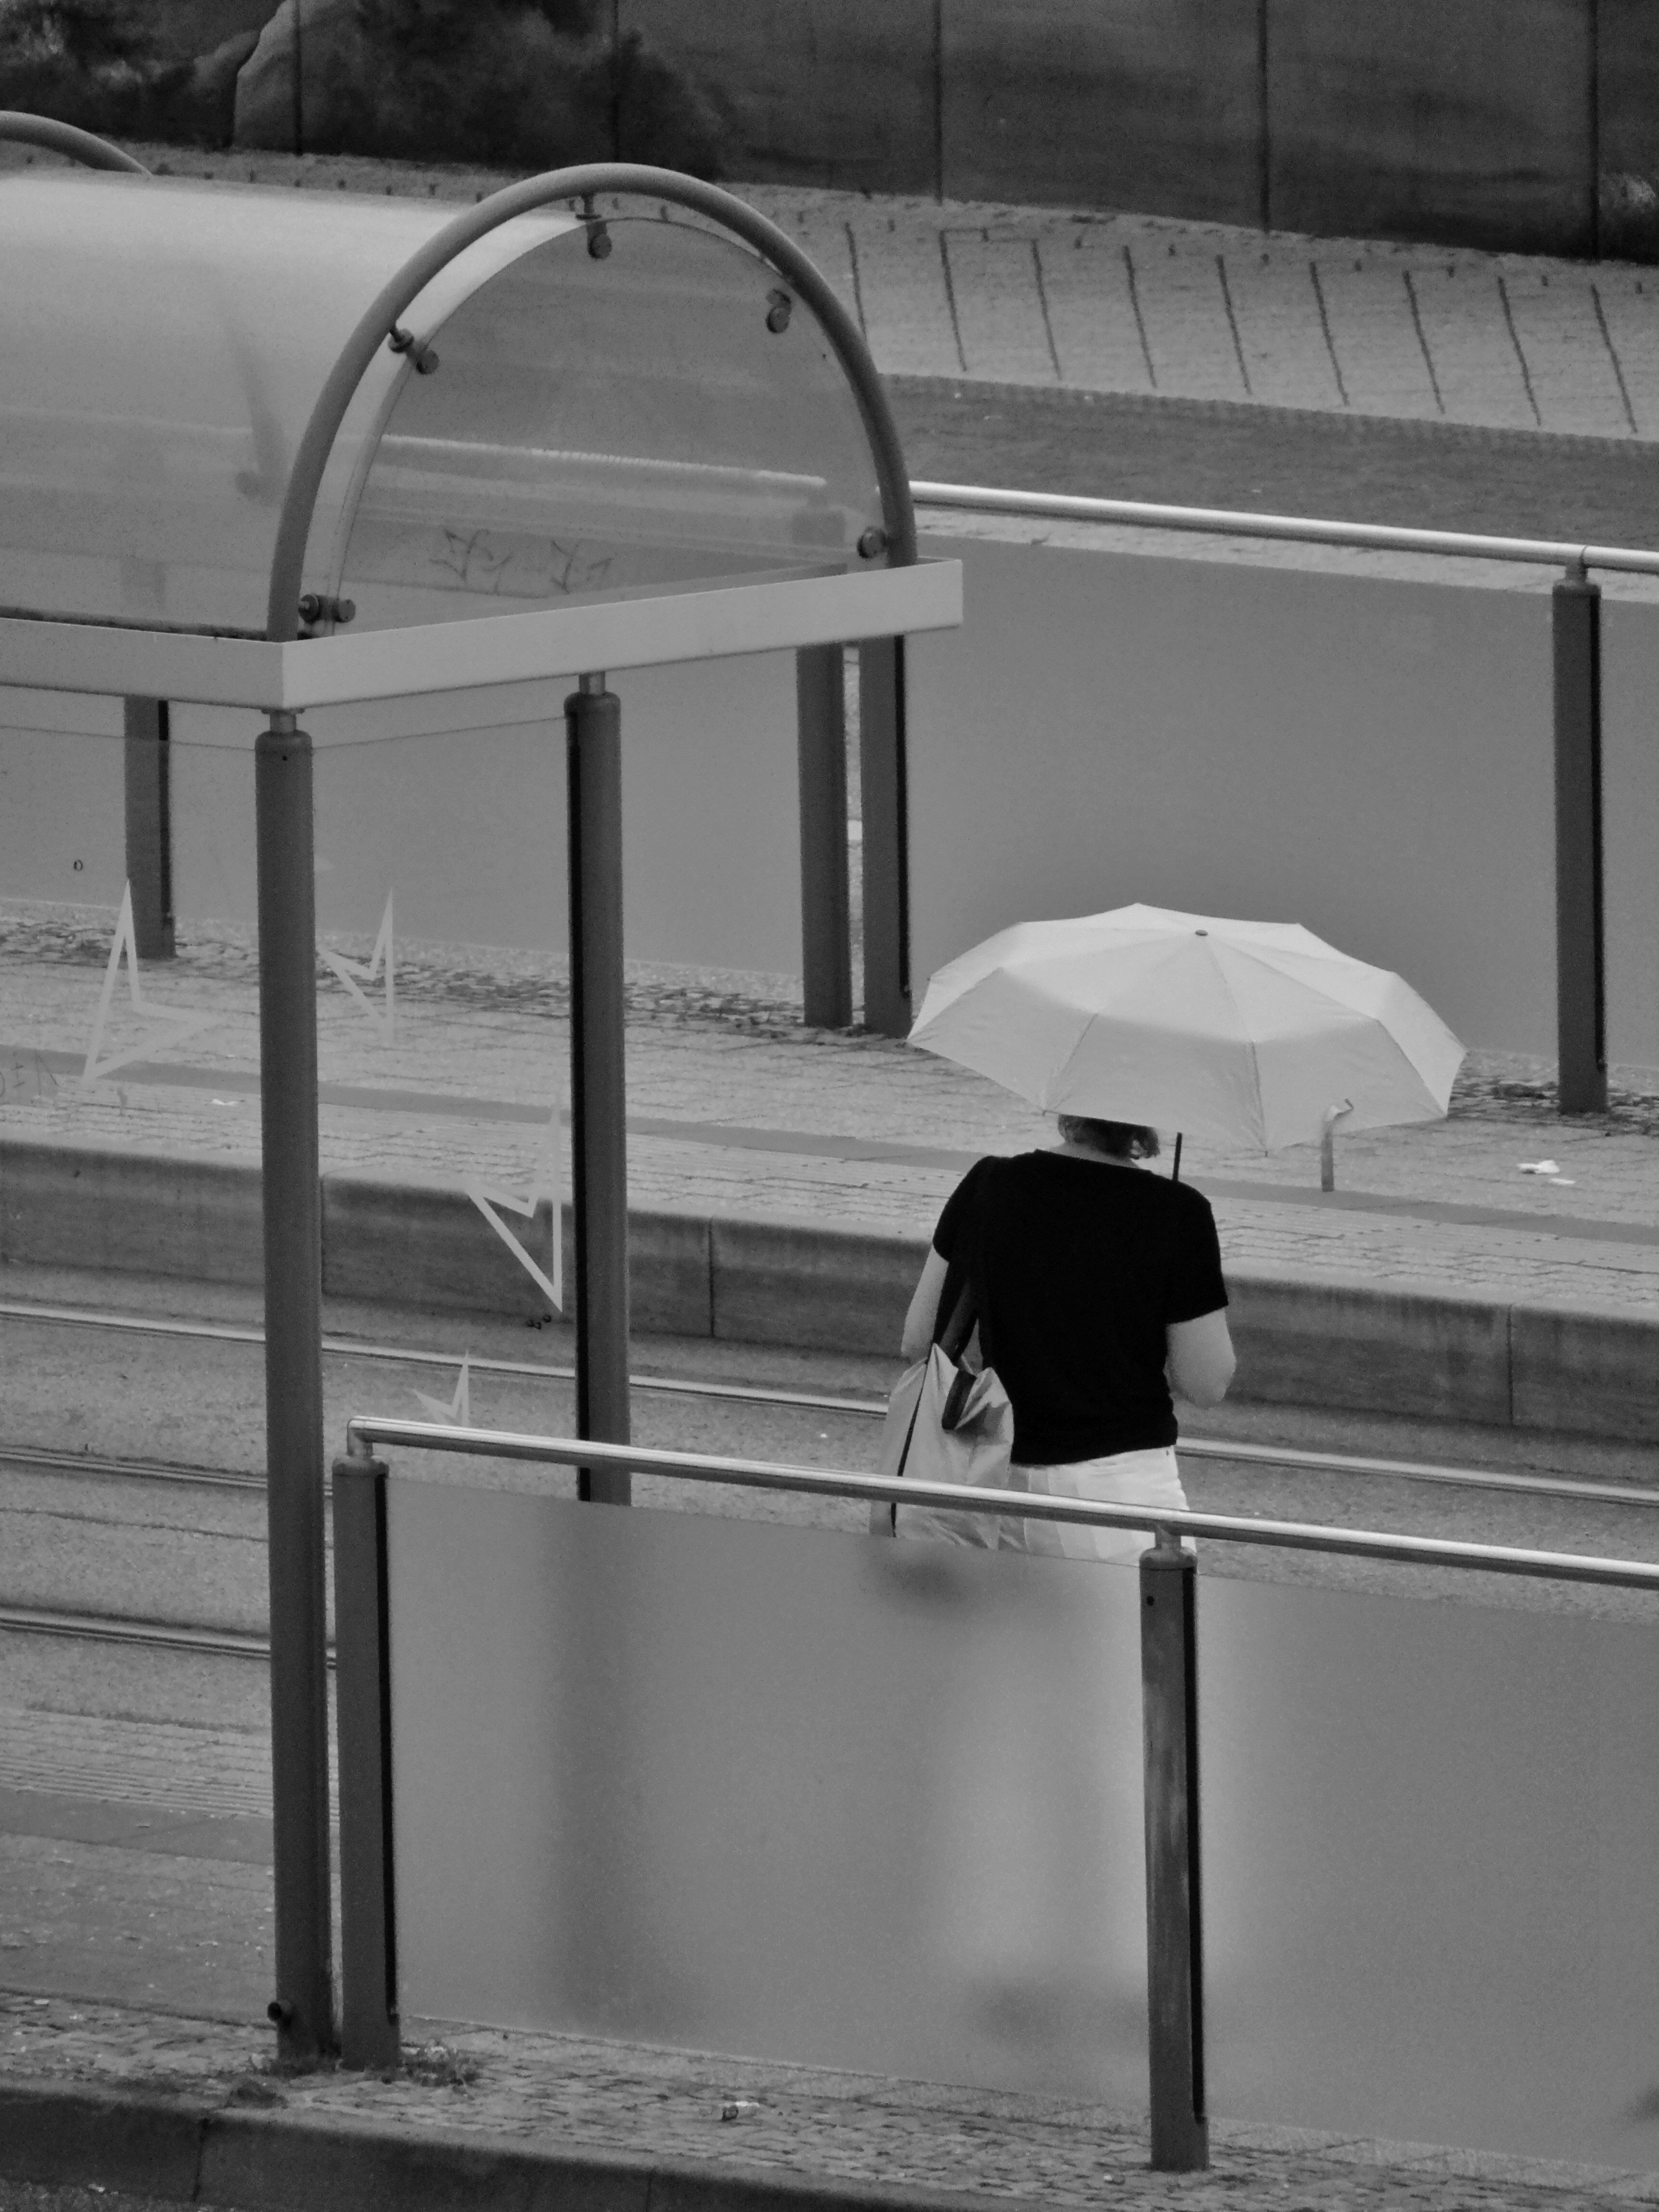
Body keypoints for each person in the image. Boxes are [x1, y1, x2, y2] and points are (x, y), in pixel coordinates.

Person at [898, 1114, 1234, 1561]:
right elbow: (1207, 1384)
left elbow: (920, 1342)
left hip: (996, 1485)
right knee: (1155, 1628)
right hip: (1120, 1496)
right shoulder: (1178, 1211)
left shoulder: (991, 1183)